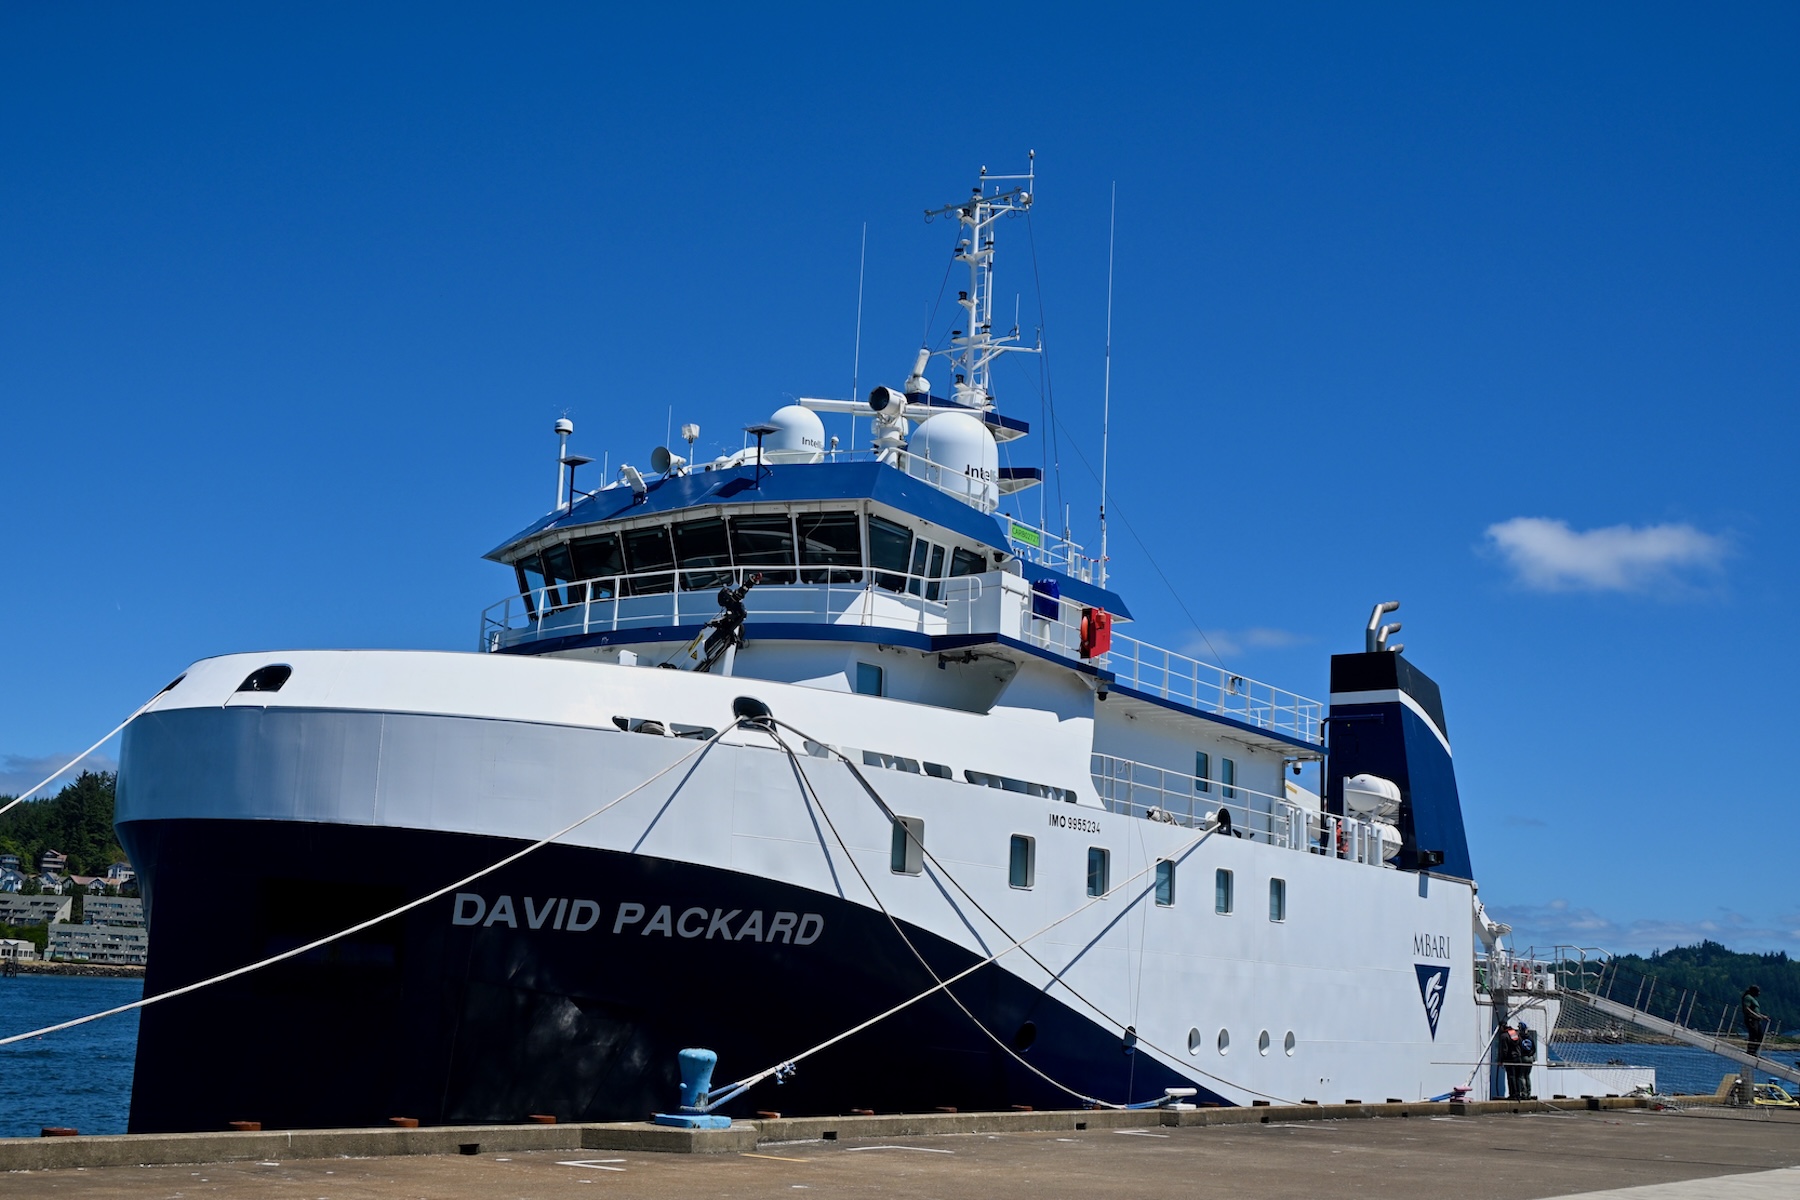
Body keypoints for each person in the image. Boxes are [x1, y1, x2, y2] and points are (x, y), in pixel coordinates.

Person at [1741, 985, 1768, 1060]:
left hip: (1756, 1020)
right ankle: (1750, 1051)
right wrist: (1755, 1016)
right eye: (1758, 991)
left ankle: (1754, 1051)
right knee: (1754, 1035)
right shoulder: (1748, 997)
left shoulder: (1753, 999)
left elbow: (1756, 1011)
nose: (1759, 993)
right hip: (1751, 1019)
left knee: (1760, 1036)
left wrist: (1762, 1016)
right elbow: (1747, 1009)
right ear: (1753, 991)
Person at [1499, 1025, 1524, 1099]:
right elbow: (1521, 1045)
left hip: (1510, 1059)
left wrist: (1501, 1060)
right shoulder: (1515, 1034)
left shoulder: (1504, 1036)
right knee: (1517, 1077)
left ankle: (1513, 1094)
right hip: (1518, 1058)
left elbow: (1504, 1049)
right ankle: (1518, 1094)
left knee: (1511, 1077)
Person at [1514, 1021, 1537, 1100]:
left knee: (1521, 1076)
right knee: (1527, 1076)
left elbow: (1517, 1048)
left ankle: (1524, 1093)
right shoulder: (1530, 1037)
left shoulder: (1519, 1038)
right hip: (1530, 1058)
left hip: (1523, 1058)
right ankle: (1528, 1093)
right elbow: (1534, 1049)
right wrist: (1531, 1054)